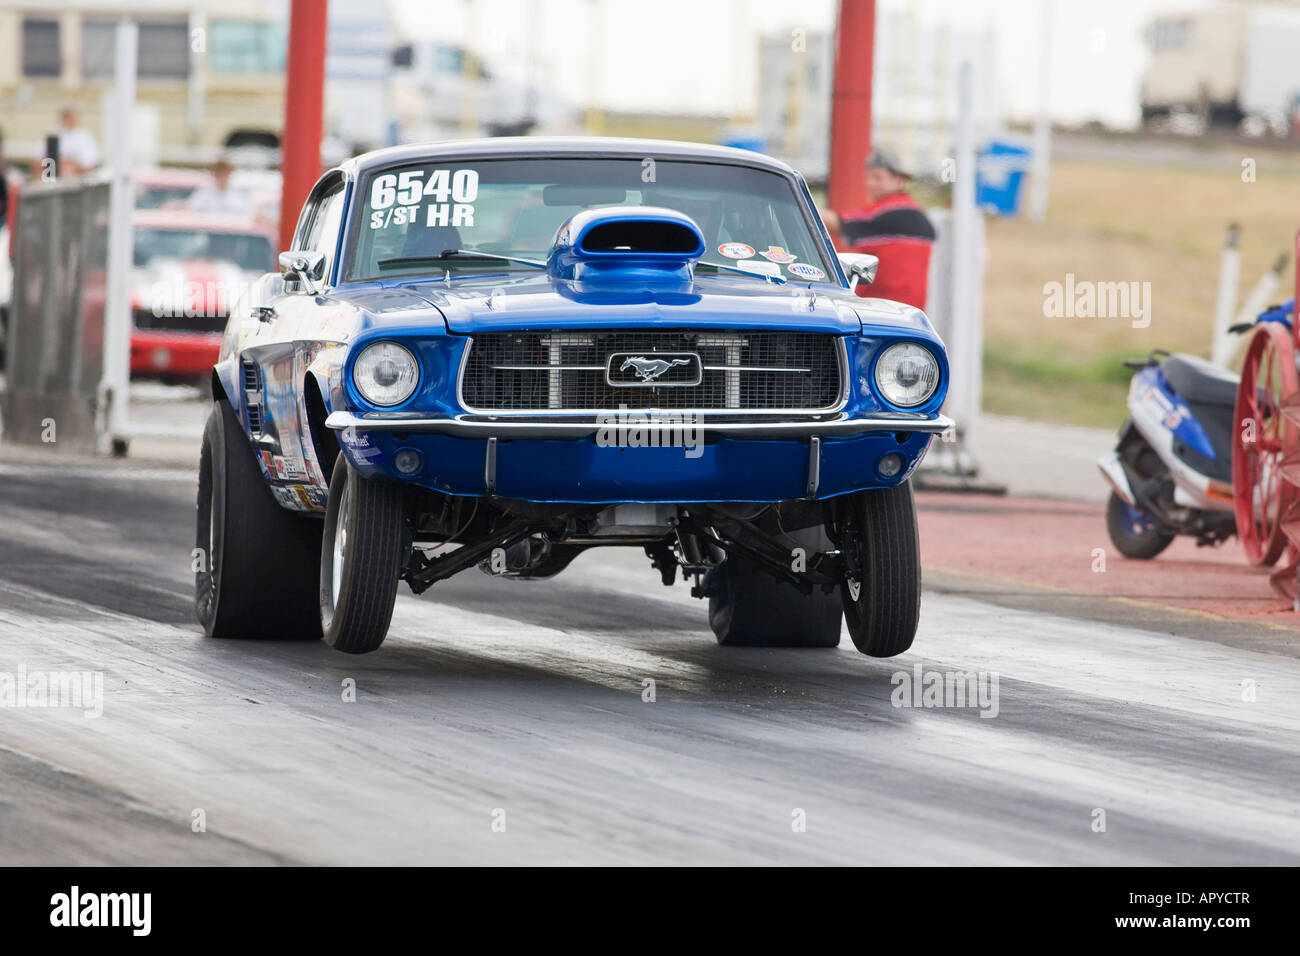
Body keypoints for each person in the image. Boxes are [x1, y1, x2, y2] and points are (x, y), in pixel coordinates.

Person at [836, 148, 935, 310]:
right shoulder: (916, 212)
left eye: (878, 178)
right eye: (868, 177)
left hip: (878, 309)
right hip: (913, 311)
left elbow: (837, 222)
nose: (870, 184)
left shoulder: (884, 212)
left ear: (898, 180)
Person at [55, 108, 100, 176]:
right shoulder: (55, 134)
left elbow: (91, 162)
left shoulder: (85, 136)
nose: (68, 121)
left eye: (71, 118)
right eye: (66, 118)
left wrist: (74, 165)